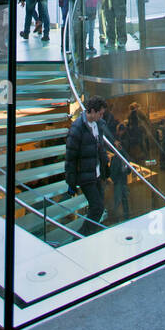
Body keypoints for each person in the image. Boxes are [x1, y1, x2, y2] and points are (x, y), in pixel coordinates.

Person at [65, 96, 110, 235]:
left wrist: (105, 167)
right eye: (100, 113)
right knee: (97, 207)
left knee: (98, 207)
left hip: (96, 174)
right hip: (85, 176)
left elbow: (99, 148)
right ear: (92, 111)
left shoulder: (98, 125)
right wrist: (71, 183)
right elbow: (70, 157)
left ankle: (89, 234)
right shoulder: (77, 128)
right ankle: (81, 236)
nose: (102, 116)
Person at [109, 122, 131, 221]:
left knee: (120, 198)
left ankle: (118, 217)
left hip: (119, 179)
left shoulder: (117, 157)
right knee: (122, 198)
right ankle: (124, 216)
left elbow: (113, 171)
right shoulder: (121, 155)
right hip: (121, 179)